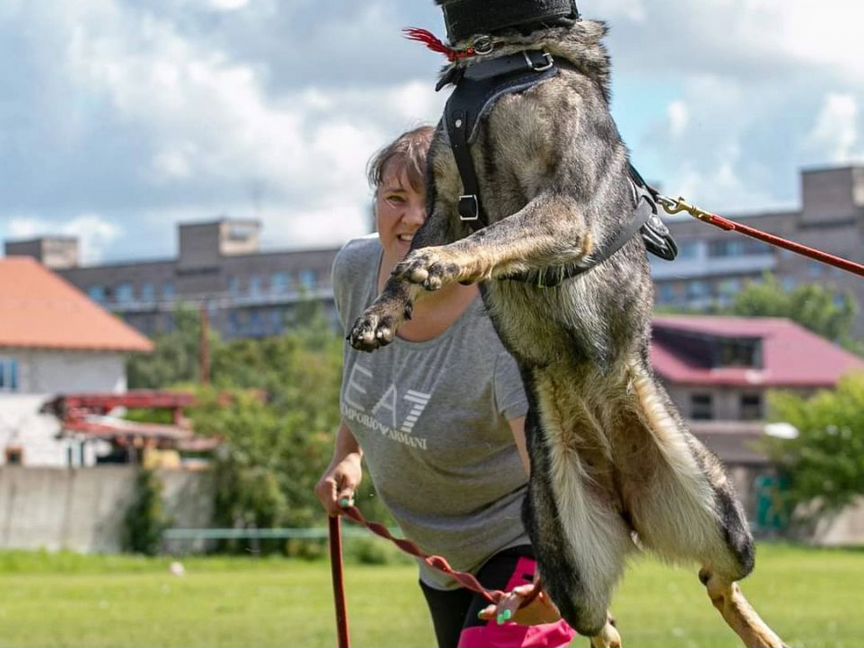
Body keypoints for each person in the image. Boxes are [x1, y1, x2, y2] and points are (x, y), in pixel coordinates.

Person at [316, 125, 576, 648]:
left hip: (522, 546)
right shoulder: (357, 269)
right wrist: (349, 454)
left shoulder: (502, 317)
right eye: (395, 198)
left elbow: (548, 465)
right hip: (441, 559)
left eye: (434, 202)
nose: (413, 219)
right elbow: (367, 372)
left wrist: (557, 577)